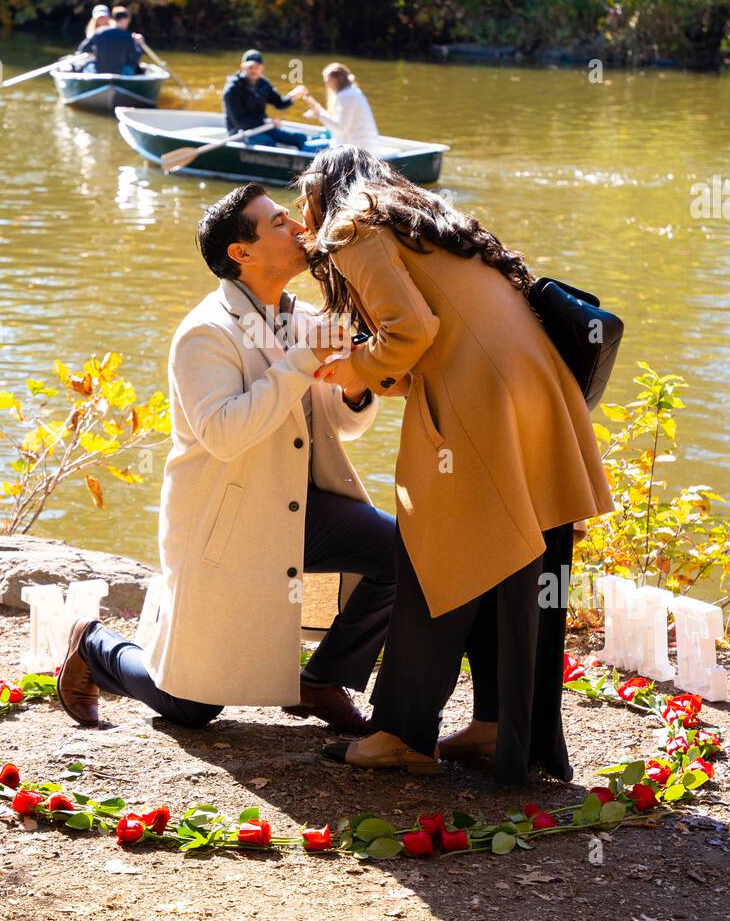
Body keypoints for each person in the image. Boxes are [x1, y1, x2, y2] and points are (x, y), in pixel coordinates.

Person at [298, 146, 614, 785]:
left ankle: (400, 736)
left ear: (321, 191)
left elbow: (410, 330)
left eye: (302, 205)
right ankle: (502, 725)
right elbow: (434, 337)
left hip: (480, 405)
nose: (302, 222)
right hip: (533, 392)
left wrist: (355, 368)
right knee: (514, 560)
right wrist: (373, 366)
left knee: (432, 558)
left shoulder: (351, 225)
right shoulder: (422, 213)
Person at [56, 182, 398, 737]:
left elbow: (337, 423)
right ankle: (95, 646)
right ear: (242, 254)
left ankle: (322, 680)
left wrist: (357, 387)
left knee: (402, 552)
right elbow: (224, 434)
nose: (297, 228)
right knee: (193, 710)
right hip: (226, 522)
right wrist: (303, 361)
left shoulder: (304, 317)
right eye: (279, 223)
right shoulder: (203, 333)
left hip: (299, 508)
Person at [223, 50, 316, 149]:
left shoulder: (263, 84)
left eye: (257, 67)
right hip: (239, 131)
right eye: (250, 67)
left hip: (262, 127)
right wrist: (265, 123)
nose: (254, 70)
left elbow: (279, 103)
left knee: (299, 138)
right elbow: (239, 121)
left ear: (262, 68)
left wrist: (293, 95)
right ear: (242, 67)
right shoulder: (232, 89)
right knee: (267, 142)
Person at [303, 63, 380, 153]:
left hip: (356, 150)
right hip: (355, 145)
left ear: (337, 79)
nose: (327, 85)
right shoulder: (350, 92)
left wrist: (319, 115)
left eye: (328, 81)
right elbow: (334, 120)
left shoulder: (347, 96)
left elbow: (341, 129)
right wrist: (317, 109)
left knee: (305, 148)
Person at [77, 5, 143, 76]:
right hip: (119, 71)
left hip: (100, 70)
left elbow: (83, 48)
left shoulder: (98, 32)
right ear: (125, 20)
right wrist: (139, 44)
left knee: (86, 67)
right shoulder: (127, 36)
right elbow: (136, 56)